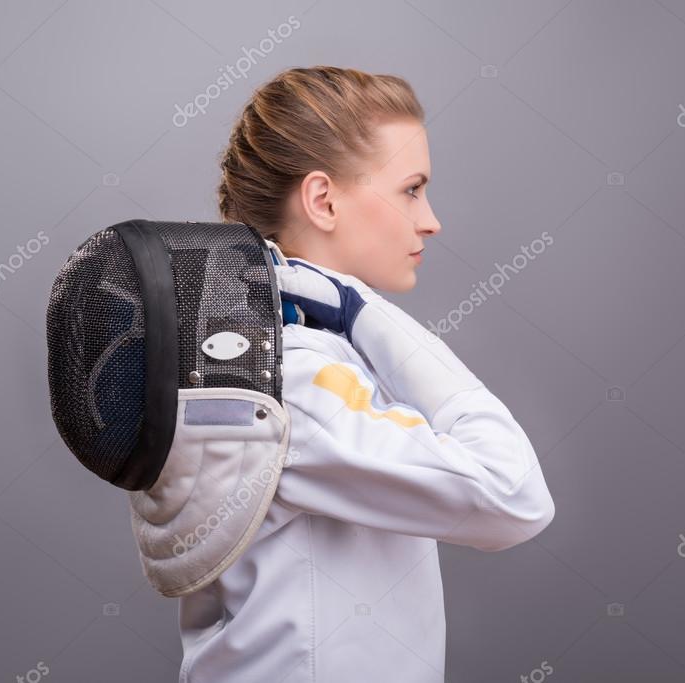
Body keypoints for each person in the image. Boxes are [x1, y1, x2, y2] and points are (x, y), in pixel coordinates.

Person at [177, 65, 556, 682]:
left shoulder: (299, 360)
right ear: (323, 201)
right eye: (411, 190)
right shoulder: (294, 378)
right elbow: (514, 496)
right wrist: (372, 316)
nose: (430, 220)